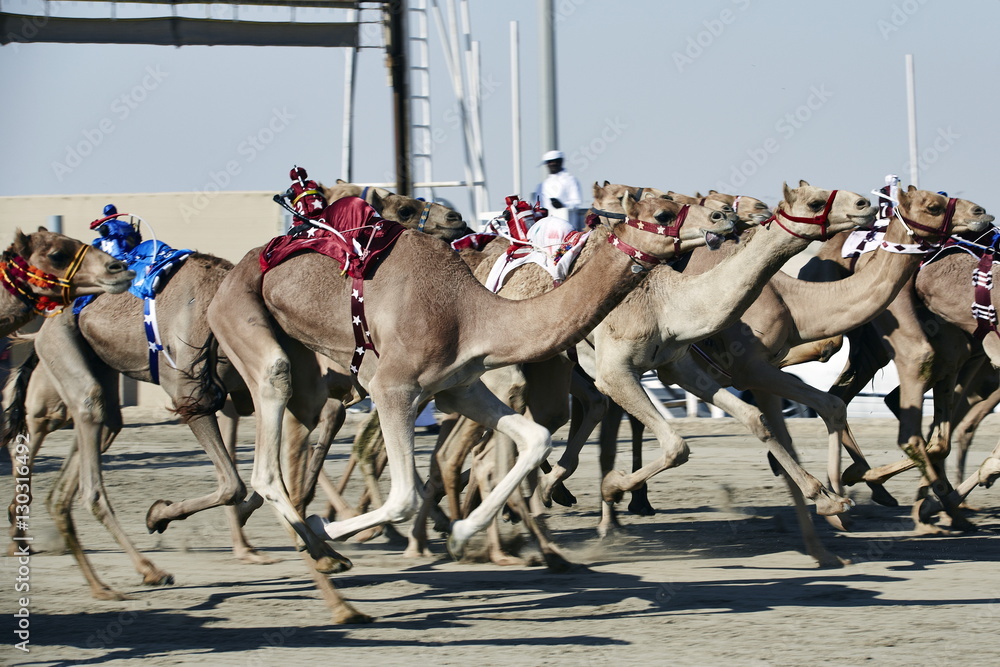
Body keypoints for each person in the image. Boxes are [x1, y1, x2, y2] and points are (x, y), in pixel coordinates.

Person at [532, 150, 583, 231]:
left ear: (561, 162)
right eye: (550, 162)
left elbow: (576, 203)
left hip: (567, 227)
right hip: (547, 228)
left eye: (555, 161)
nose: (553, 164)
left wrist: (562, 205)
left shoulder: (570, 180)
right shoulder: (541, 186)